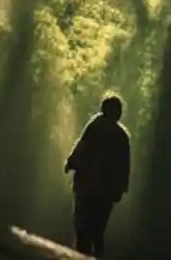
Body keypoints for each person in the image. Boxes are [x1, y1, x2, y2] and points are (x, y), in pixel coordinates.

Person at [64, 94, 131, 257]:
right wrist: (121, 188)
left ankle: (83, 254)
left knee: (86, 227)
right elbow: (124, 166)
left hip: (91, 187)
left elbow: (82, 146)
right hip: (99, 189)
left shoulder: (99, 127)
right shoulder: (118, 134)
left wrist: (72, 163)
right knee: (95, 229)